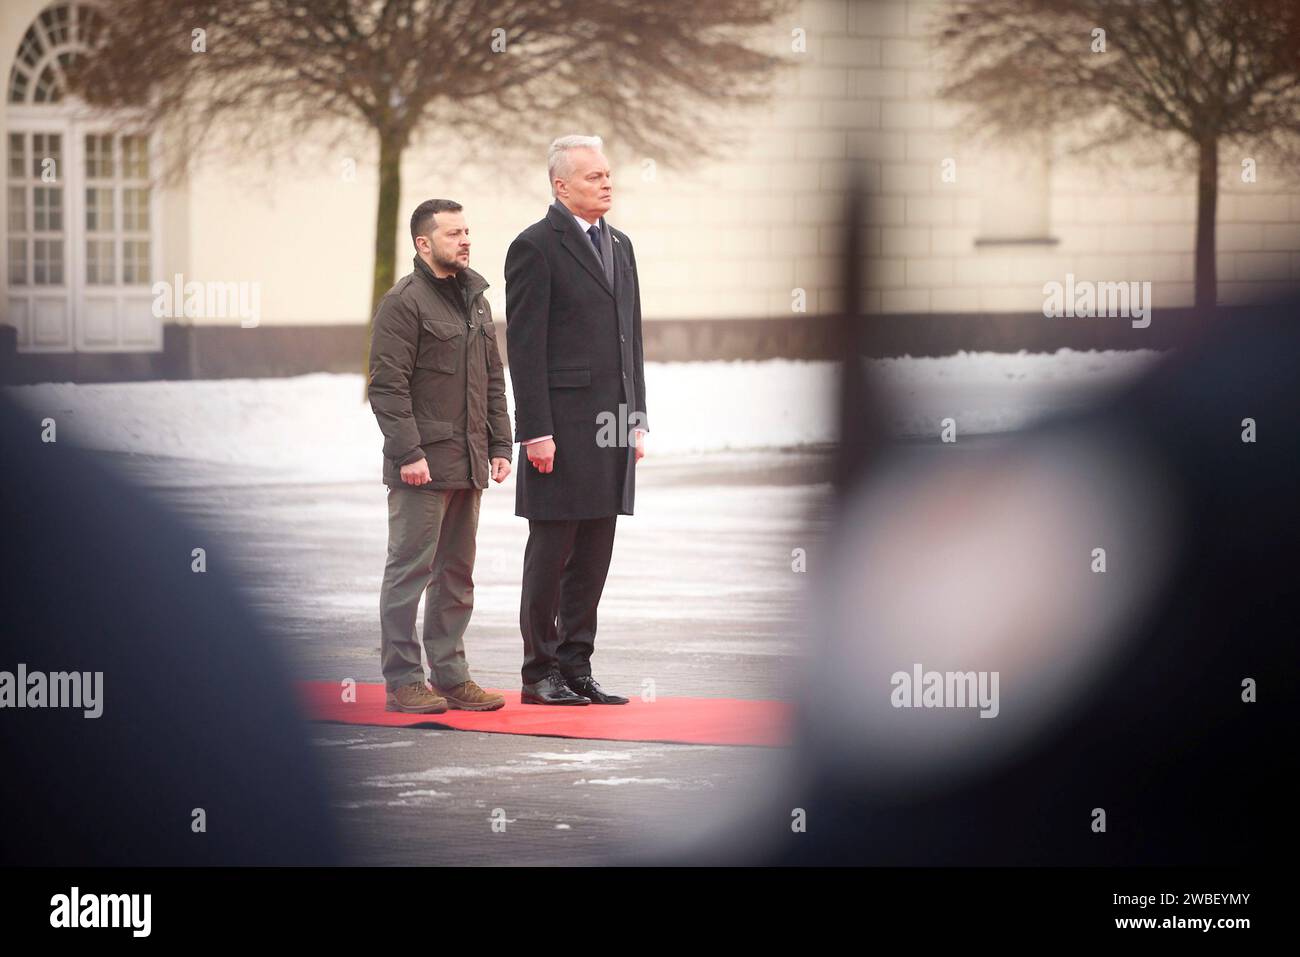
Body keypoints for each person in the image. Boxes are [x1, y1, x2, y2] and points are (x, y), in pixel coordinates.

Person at [504, 135, 648, 706]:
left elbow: (629, 338)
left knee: (594, 551)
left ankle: (576, 665)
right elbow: (525, 346)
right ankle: (539, 671)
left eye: (608, 174)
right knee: (552, 552)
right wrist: (535, 430)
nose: (606, 183)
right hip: (559, 430)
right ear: (561, 186)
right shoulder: (535, 247)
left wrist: (635, 418)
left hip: (609, 425)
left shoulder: (622, 245)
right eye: (593, 177)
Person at [367, 199, 511, 714]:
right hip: (421, 467)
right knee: (410, 572)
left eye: (467, 230)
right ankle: (404, 681)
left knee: (456, 574)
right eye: (454, 233)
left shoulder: (475, 299)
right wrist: (408, 452)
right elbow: (387, 387)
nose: (466, 240)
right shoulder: (403, 303)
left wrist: (499, 443)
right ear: (423, 243)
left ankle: (450, 675)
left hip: (467, 461)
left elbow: (493, 378)